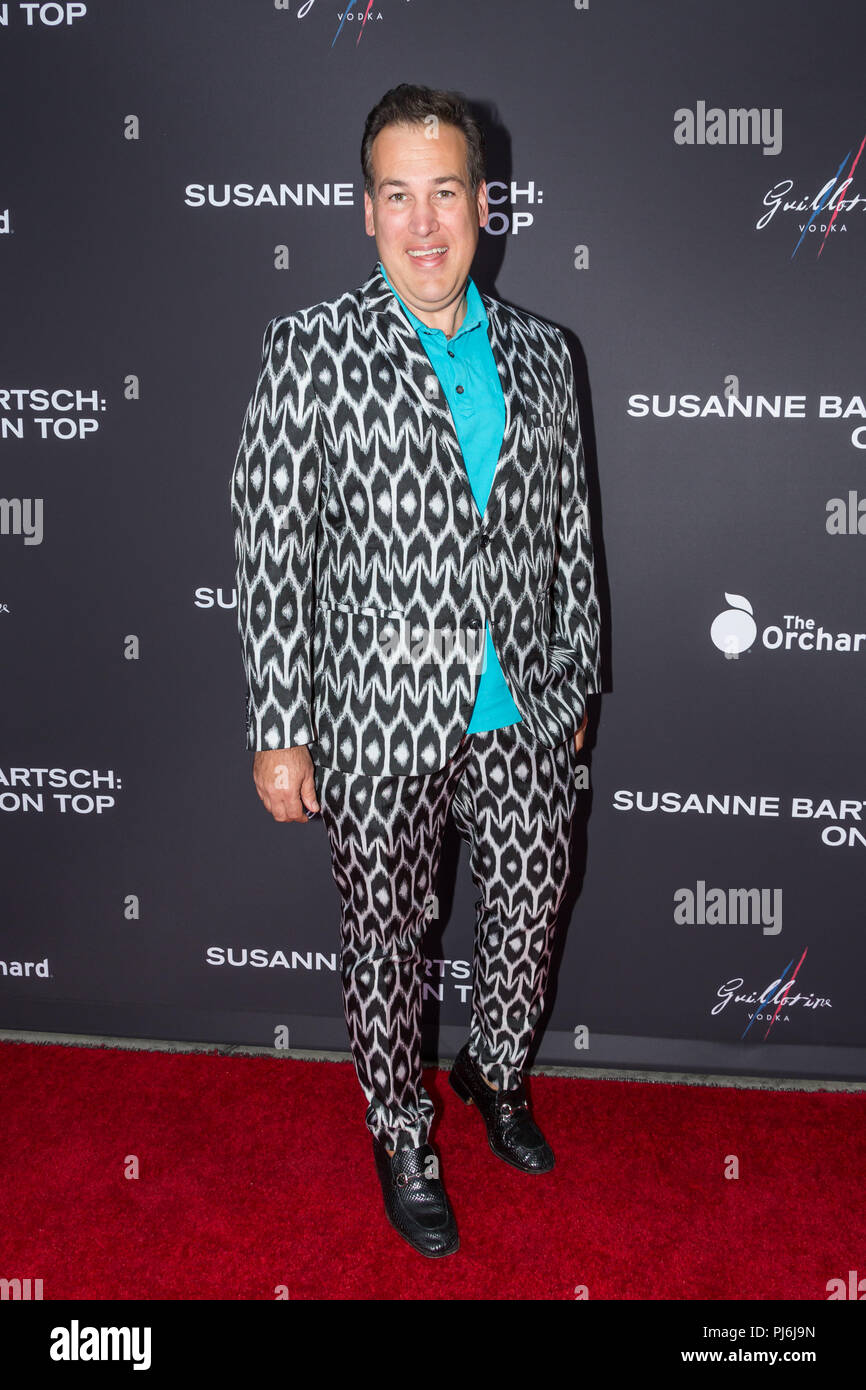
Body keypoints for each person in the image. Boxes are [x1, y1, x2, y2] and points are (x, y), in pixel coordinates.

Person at [230, 83, 600, 1258]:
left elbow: (570, 533)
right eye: (399, 194)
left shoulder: (545, 356)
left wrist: (576, 677)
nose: (424, 221)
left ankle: (494, 1073)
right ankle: (400, 1128)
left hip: (526, 710)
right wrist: (280, 724)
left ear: (485, 204)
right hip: (375, 717)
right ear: (366, 208)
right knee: (386, 935)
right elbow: (270, 545)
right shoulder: (312, 348)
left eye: (446, 191)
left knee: (529, 913)